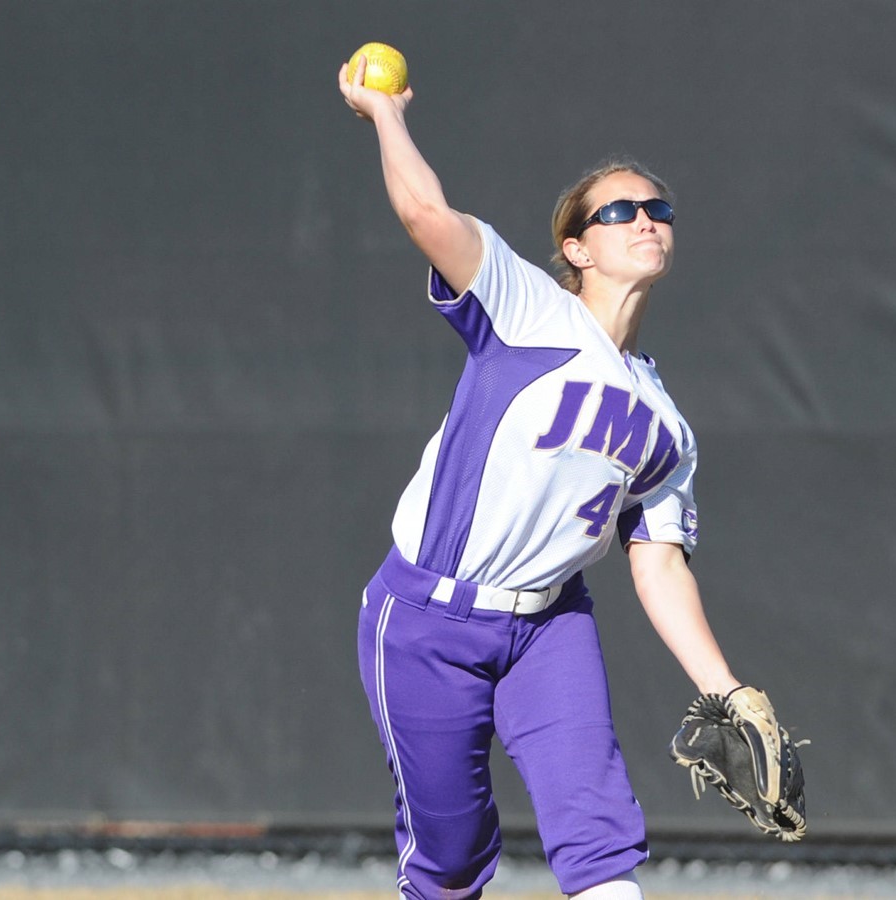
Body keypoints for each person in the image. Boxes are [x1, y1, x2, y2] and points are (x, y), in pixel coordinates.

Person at [339, 58, 768, 900]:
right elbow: (425, 213)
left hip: (548, 625)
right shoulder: (528, 308)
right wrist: (386, 115)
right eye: (620, 210)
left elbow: (659, 565)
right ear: (577, 247)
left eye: (659, 209)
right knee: (451, 859)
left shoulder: (666, 424)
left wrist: (727, 691)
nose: (645, 219)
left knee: (600, 835)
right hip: (427, 618)